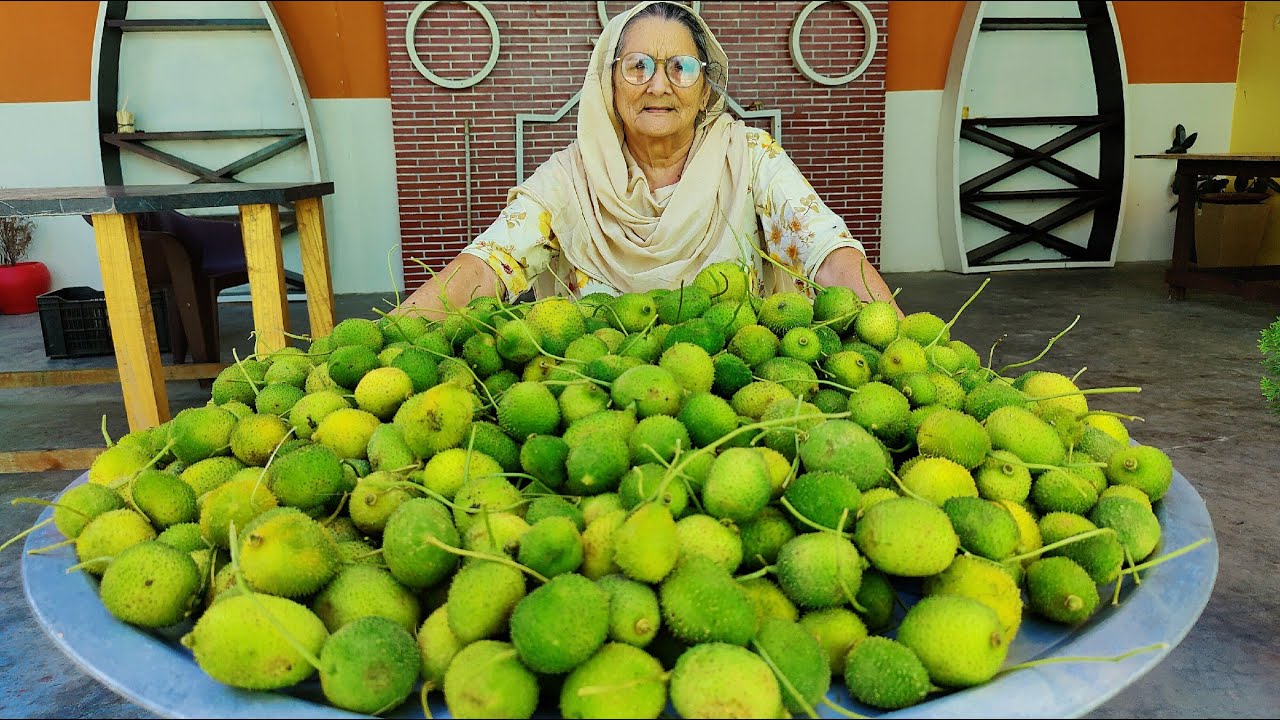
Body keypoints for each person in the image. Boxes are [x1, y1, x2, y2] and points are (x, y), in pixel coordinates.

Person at [396, 0, 900, 319]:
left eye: (681, 67)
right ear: (608, 84)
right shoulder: (568, 179)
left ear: (704, 89)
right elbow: (488, 265)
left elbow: (826, 251)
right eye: (637, 66)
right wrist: (394, 338)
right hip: (600, 411)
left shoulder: (749, 158)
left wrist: (901, 338)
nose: (659, 85)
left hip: (735, 399)